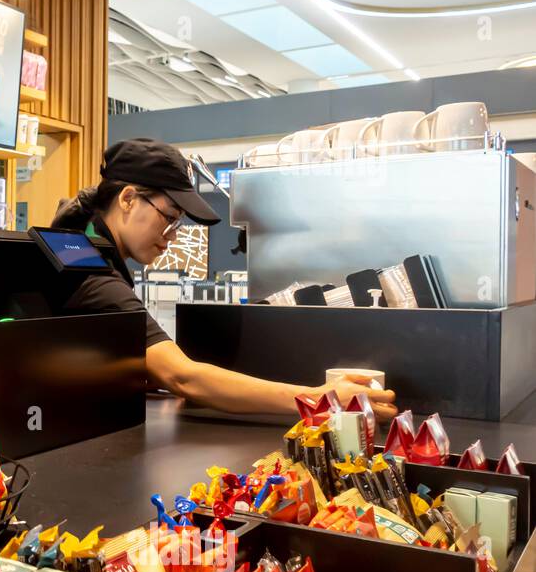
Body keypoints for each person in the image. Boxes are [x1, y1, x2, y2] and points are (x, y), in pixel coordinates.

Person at [53, 138, 396, 420]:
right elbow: (183, 377)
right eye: (169, 219)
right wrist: (320, 399)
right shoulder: (93, 275)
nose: (172, 236)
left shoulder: (81, 251)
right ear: (128, 198)